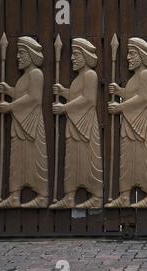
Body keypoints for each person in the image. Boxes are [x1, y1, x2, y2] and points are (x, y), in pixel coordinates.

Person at [0, 37, 48, 208]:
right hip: (20, 123)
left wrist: (10, 106)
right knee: (17, 159)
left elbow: (34, 98)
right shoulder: (25, 76)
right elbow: (22, 94)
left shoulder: (36, 74)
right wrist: (9, 91)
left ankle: (41, 197)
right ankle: (14, 196)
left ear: (31, 55)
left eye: (21, 52)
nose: (18, 56)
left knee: (35, 159)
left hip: (31, 124)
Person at [105, 38, 147, 208]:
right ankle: (125, 196)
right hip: (130, 123)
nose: (128, 57)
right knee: (127, 159)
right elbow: (133, 94)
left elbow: (144, 99)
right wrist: (120, 91)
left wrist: (120, 106)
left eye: (132, 53)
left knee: (144, 159)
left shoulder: (145, 74)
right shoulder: (136, 76)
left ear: (142, 56)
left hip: (141, 123)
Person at [50, 38, 103, 209]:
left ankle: (96, 197)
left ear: (86, 56)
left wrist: (64, 107)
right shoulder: (80, 77)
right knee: (72, 159)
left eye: (76, 54)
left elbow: (88, 100)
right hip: (74, 123)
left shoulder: (90, 75)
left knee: (89, 159)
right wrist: (65, 92)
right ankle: (70, 196)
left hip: (85, 124)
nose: (73, 58)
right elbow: (77, 95)